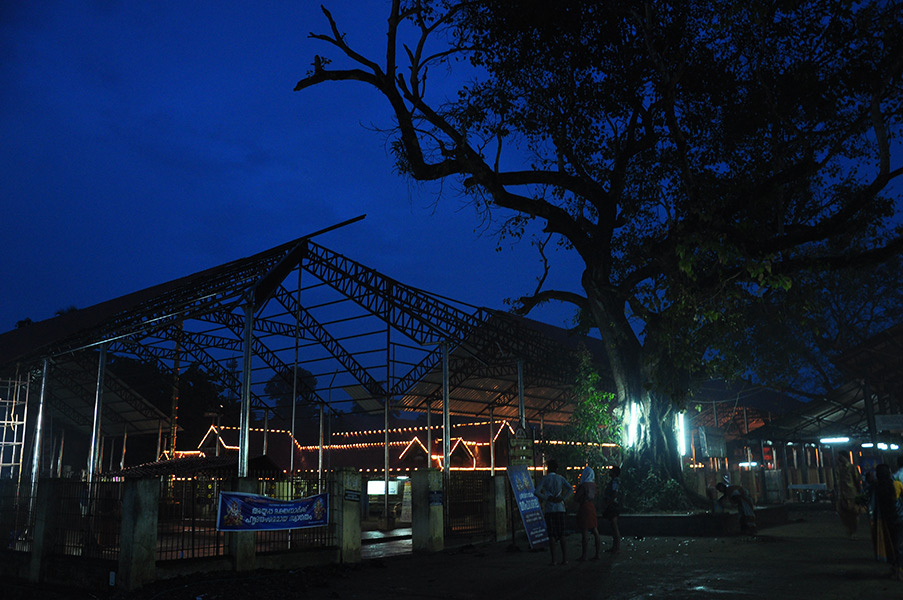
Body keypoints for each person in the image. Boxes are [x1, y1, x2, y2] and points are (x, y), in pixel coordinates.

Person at [534, 459, 573, 565]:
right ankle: (565, 559)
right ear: (556, 468)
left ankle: (554, 560)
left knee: (551, 534)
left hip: (550, 509)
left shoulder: (545, 479)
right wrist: (563, 498)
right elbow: (570, 489)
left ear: (548, 468)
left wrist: (547, 498)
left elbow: (536, 492)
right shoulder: (560, 478)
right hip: (560, 508)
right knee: (562, 534)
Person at [871, 463, 903, 580]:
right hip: (899, 518)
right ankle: (899, 571)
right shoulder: (896, 485)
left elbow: (872, 505)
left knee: (891, 545)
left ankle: (895, 569)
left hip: (885, 521)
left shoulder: (877, 487)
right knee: (899, 545)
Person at [835, 452, 865, 539]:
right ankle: (850, 529)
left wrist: (859, 493)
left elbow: (857, 481)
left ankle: (853, 531)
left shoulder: (852, 468)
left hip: (851, 494)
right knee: (842, 513)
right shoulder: (838, 469)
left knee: (854, 514)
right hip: (842, 495)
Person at [574, 465, 601, 561]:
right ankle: (597, 553)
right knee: (594, 529)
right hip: (591, 506)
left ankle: (584, 555)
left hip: (584, 507)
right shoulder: (594, 485)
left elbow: (577, 498)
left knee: (585, 531)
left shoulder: (584, 485)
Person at [601, 465, 622, 553]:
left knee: (614, 525)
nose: (609, 472)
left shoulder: (614, 481)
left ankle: (616, 547)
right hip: (613, 504)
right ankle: (615, 546)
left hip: (613, 505)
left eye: (611, 471)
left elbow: (614, 493)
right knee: (613, 525)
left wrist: (609, 502)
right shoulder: (615, 481)